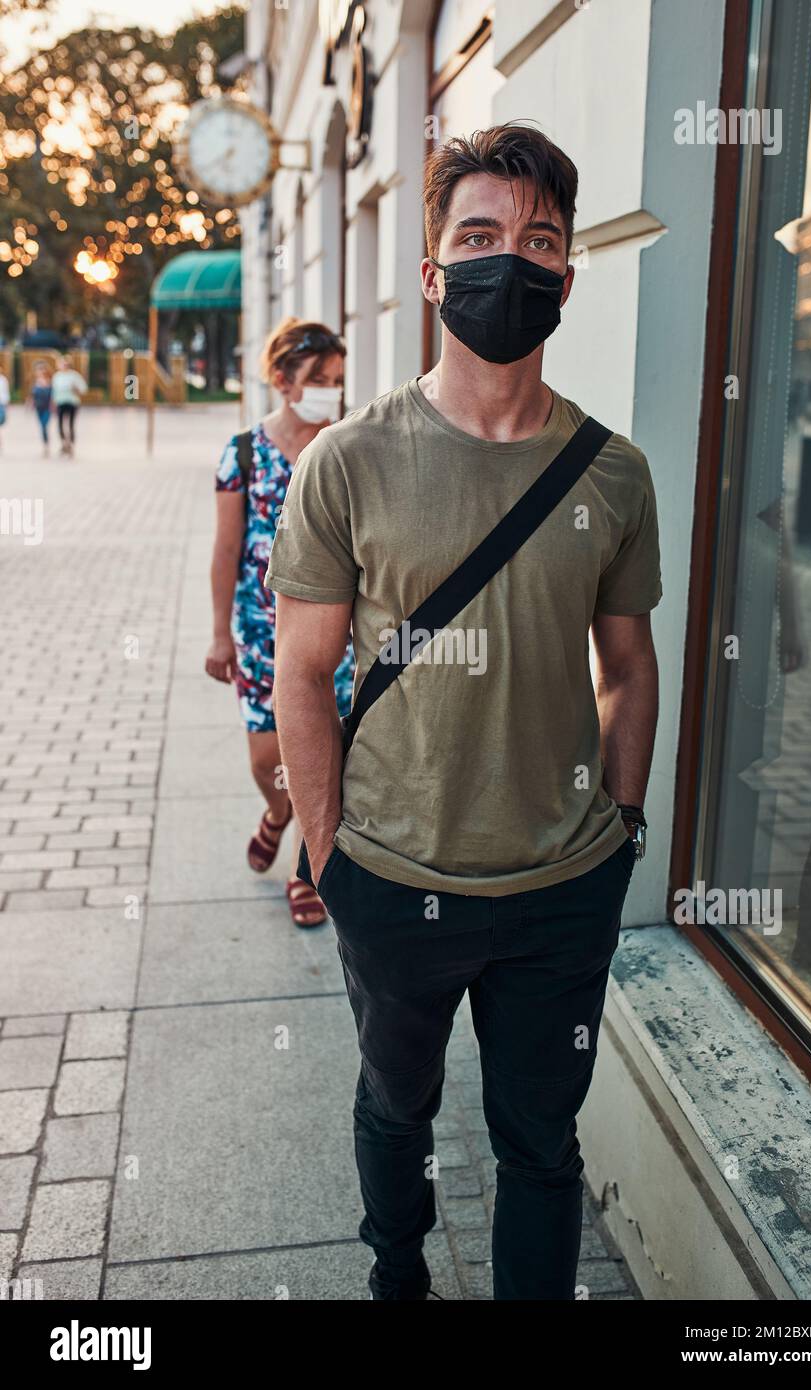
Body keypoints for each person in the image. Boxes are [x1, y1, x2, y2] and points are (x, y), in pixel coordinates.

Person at [266, 123, 662, 1301]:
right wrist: (332, 852)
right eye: (479, 236)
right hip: (392, 879)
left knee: (540, 1146)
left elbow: (629, 665)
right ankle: (398, 1272)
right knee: (396, 1104)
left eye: (537, 240)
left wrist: (622, 828)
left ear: (566, 277)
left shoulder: (614, 471)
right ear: (434, 272)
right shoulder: (345, 462)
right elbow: (302, 672)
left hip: (558, 891)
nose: (510, 261)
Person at [205, 318, 355, 928]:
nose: (331, 391)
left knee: (326, 750)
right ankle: (276, 814)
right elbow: (225, 551)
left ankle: (307, 865)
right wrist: (220, 634)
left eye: (338, 380)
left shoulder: (348, 446)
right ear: (281, 378)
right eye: (319, 378)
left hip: (334, 630)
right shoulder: (242, 453)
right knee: (268, 758)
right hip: (259, 629)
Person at [51, 355, 87, 456]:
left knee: (71, 424)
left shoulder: (74, 375)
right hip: (60, 402)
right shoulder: (57, 376)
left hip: (72, 402)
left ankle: (71, 444)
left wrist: (76, 389)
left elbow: (83, 389)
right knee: (60, 424)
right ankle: (63, 443)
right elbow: (54, 391)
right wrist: (53, 403)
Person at [30, 362, 53, 458]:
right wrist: (31, 403)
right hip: (38, 408)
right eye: (38, 370)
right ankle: (45, 445)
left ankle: (46, 445)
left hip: (47, 408)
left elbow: (53, 395)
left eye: (41, 370)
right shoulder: (35, 382)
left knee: (44, 425)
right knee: (42, 426)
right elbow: (32, 395)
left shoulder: (50, 382)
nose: (40, 372)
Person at [0, 366, 9, 450]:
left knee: (1, 422)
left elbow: (6, 392)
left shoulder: (3, 380)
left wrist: (6, 404)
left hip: (1, 403)